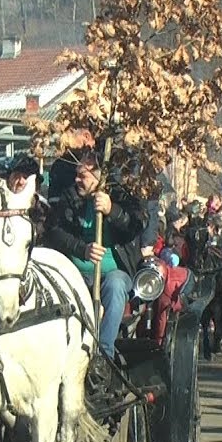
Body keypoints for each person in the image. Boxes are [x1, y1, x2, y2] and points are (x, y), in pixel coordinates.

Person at [42, 151, 146, 360]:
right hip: (76, 273)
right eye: (77, 174)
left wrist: (112, 210)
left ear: (99, 176)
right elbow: (54, 232)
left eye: (83, 175)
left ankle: (102, 354)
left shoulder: (121, 195)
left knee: (115, 286)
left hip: (114, 273)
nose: (77, 180)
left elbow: (137, 224)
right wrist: (83, 249)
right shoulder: (70, 197)